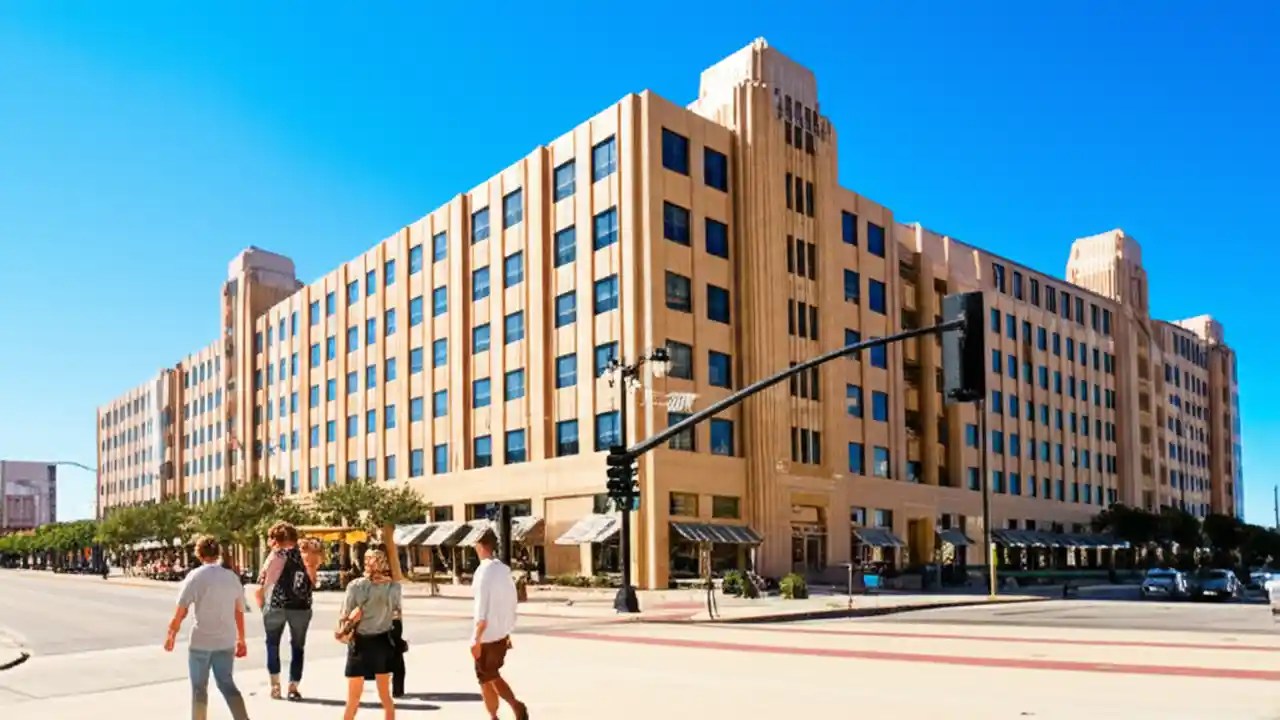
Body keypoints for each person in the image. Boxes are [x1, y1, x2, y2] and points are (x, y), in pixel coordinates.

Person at [163, 535, 250, 720]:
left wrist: (172, 633)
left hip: (200, 641)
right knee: (227, 684)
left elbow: (182, 610)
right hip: (225, 641)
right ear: (218, 553)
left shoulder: (195, 577)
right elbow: (239, 611)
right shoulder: (232, 577)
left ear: (199, 554)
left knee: (199, 689)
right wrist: (241, 638)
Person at [254, 521, 316, 701]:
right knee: (298, 647)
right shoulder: (305, 553)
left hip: (277, 605)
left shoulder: (276, 555)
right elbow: (313, 580)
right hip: (301, 607)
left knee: (272, 645)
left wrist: (263, 606)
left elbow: (264, 584)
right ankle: (293, 687)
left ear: (275, 539)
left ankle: (275, 686)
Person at [338, 548, 401, 720]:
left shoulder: (355, 586)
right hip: (382, 643)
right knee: (385, 697)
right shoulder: (394, 587)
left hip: (359, 643)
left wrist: (349, 622)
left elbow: (344, 618)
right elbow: (397, 616)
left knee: (353, 699)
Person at [471, 534, 528, 720]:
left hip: (486, 635)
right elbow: (511, 602)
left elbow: (481, 608)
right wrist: (507, 630)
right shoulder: (503, 570)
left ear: (480, 546)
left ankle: (513, 705)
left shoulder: (482, 572)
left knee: (488, 676)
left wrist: (476, 638)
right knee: (487, 677)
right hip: (501, 634)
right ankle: (494, 715)